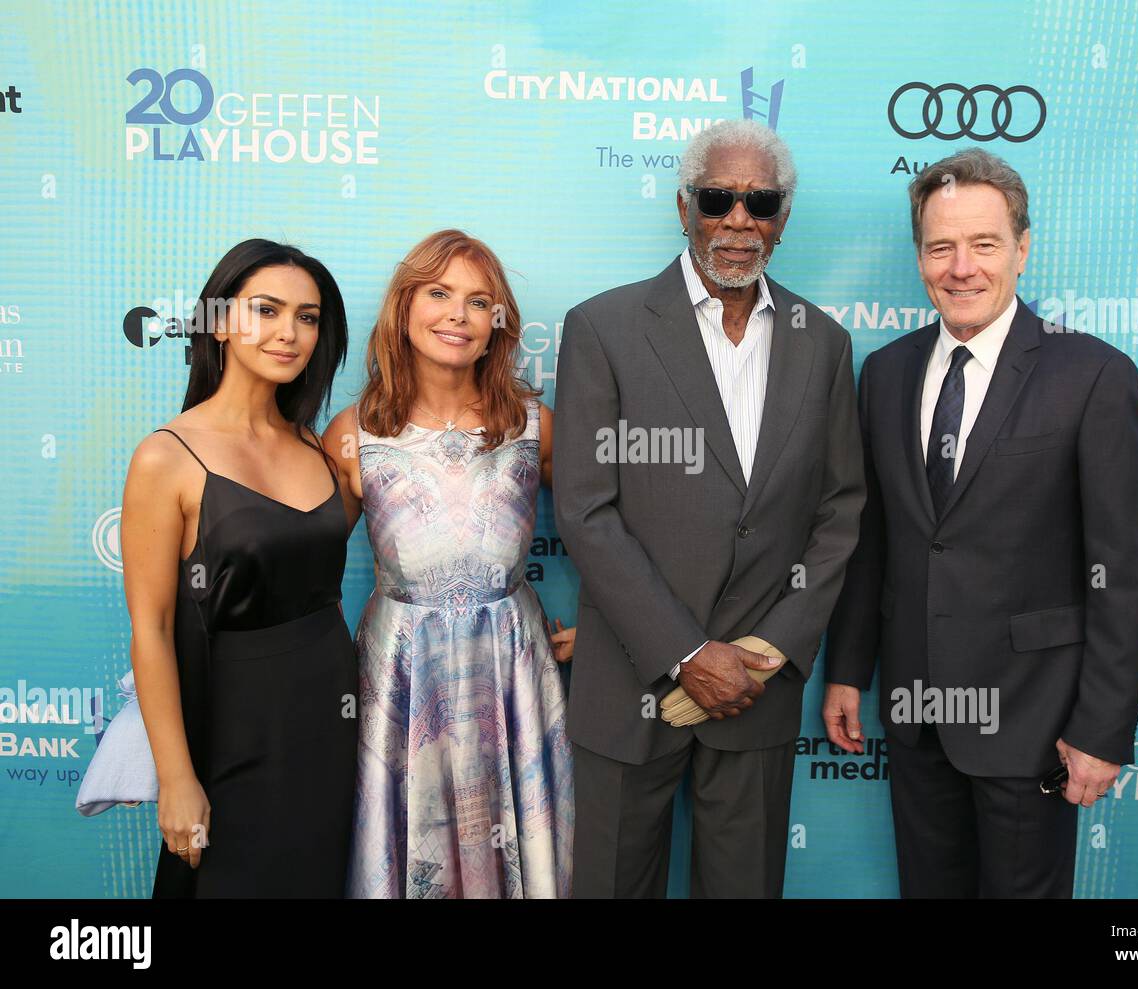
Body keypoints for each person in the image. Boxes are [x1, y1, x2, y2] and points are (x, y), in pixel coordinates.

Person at [824, 147, 1138, 898]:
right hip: (917, 714)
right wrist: (849, 669)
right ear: (919, 257)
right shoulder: (886, 373)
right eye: (941, 246)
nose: (961, 266)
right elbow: (873, 542)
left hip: (1033, 718)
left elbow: (1124, 573)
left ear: (1022, 248)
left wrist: (1102, 730)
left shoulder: (1094, 376)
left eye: (984, 244)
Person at [553, 119, 865, 898]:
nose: (738, 220)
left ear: (783, 219)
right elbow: (587, 510)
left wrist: (772, 648)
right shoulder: (604, 328)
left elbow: (839, 510)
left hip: (760, 687)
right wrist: (688, 654)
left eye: (760, 202)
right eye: (719, 198)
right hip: (631, 684)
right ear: (684, 205)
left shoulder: (822, 342)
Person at [324, 230, 574, 899]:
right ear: (403, 308)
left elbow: (606, 531)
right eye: (438, 293)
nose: (457, 314)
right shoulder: (354, 434)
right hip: (403, 669)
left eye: (477, 300)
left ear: (497, 324)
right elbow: (305, 569)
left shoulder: (532, 425)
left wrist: (608, 630)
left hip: (511, 670)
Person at [122, 239, 354, 897]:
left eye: (307, 317)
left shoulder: (318, 444)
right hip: (230, 736)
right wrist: (176, 777)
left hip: (330, 726)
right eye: (266, 310)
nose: (289, 332)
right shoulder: (165, 457)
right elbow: (152, 627)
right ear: (219, 321)